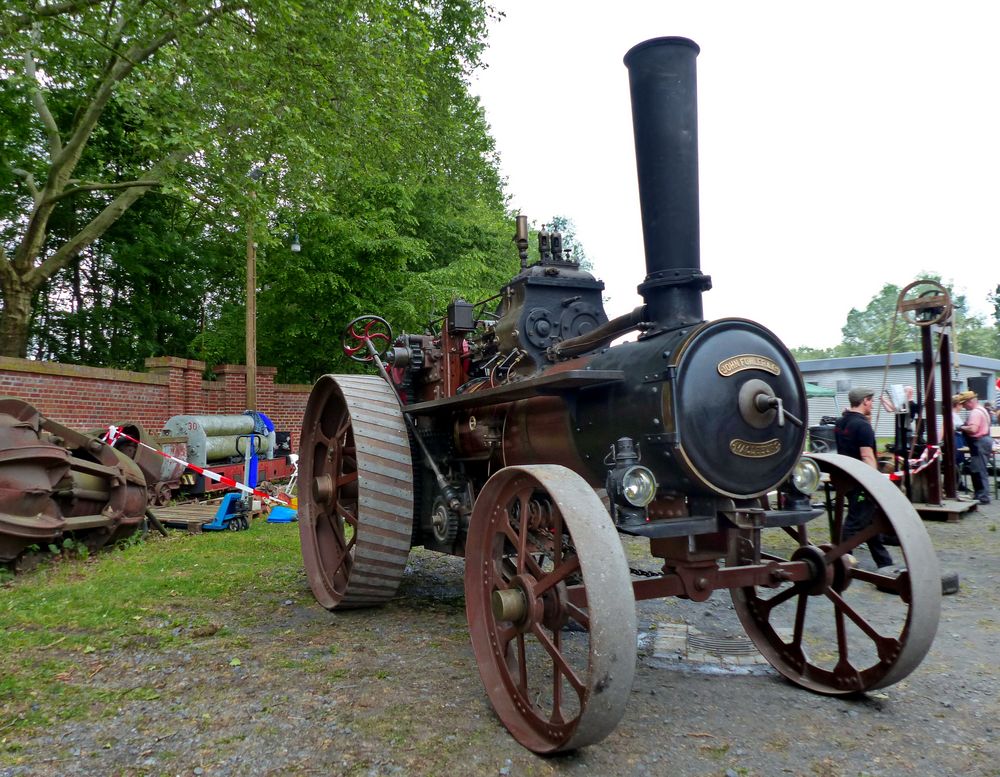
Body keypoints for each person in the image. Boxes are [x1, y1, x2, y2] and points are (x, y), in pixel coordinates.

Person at [834, 387, 894, 570]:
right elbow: (867, 456)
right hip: (861, 481)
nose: (873, 404)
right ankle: (842, 562)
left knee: (868, 520)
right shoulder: (862, 426)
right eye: (872, 401)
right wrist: (874, 482)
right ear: (865, 401)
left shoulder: (840, 422)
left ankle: (884, 562)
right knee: (855, 522)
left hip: (845, 479)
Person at [957, 390, 992, 505]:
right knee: (979, 469)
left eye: (964, 403)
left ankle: (982, 496)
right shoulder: (982, 409)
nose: (963, 406)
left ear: (970, 401)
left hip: (979, 442)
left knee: (978, 470)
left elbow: (973, 429)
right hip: (985, 440)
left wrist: (961, 427)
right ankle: (981, 494)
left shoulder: (975, 413)